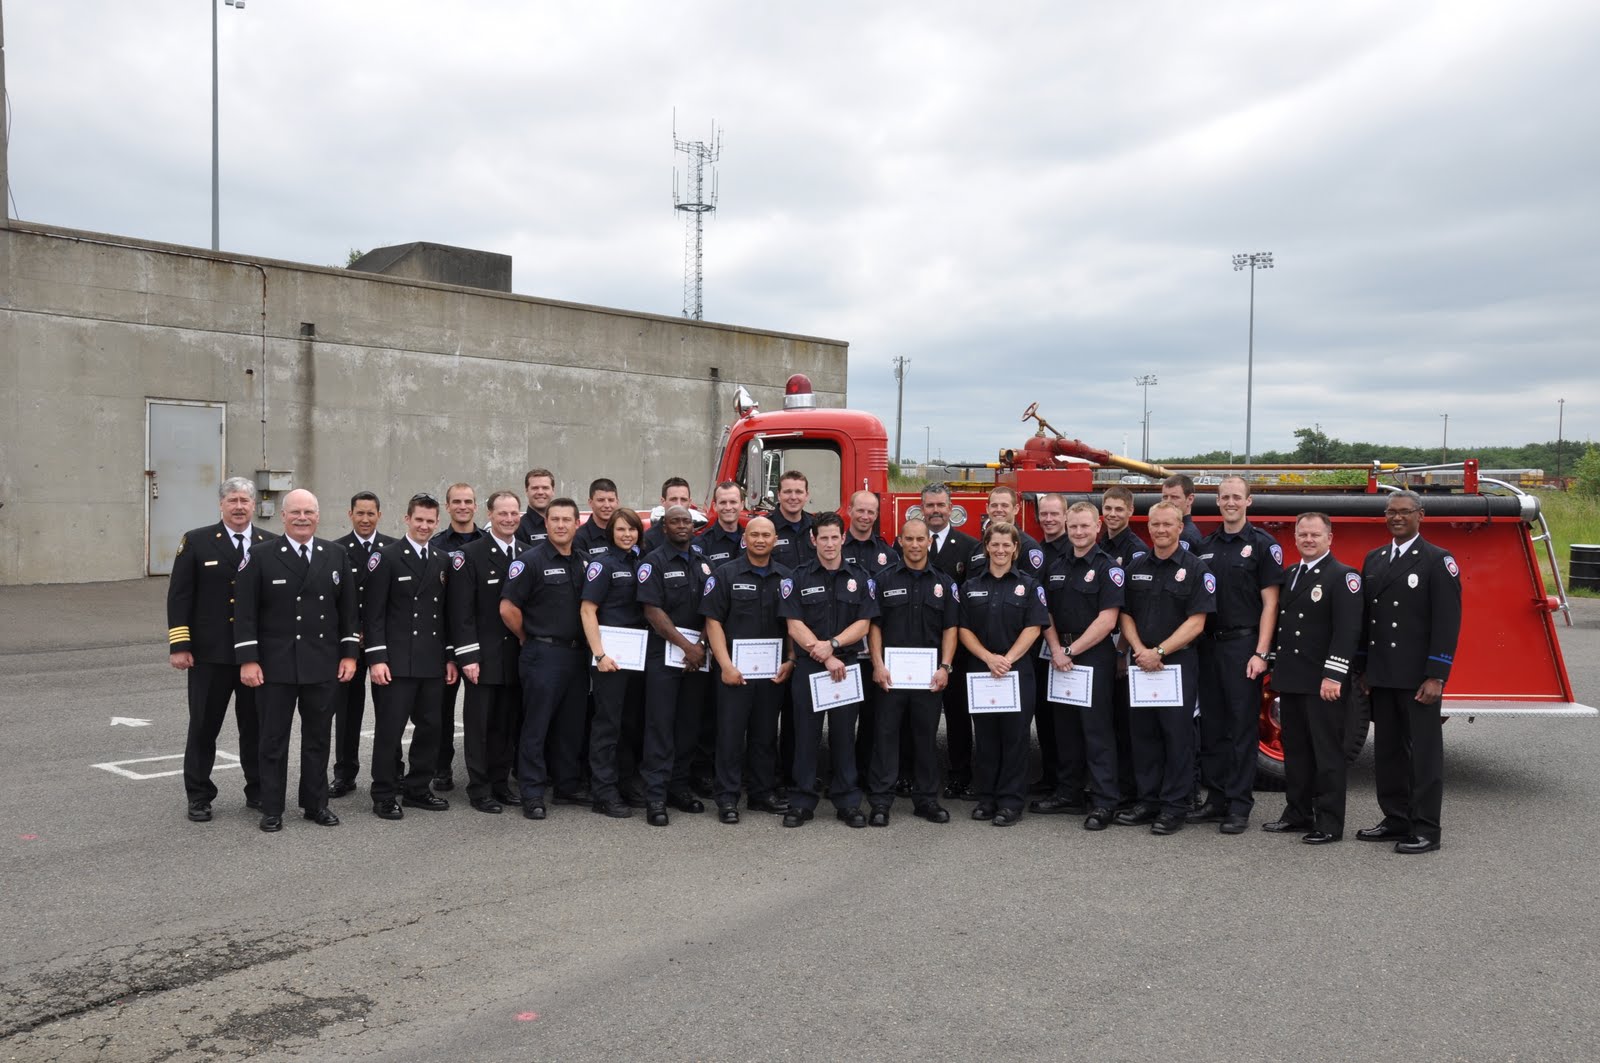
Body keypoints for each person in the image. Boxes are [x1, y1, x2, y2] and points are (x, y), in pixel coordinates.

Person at [232, 489, 358, 832]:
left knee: (318, 738)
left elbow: (347, 613)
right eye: (296, 512)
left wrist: (349, 654)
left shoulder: (336, 554)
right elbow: (244, 614)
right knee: (273, 739)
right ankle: (271, 808)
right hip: (275, 666)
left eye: (309, 512)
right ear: (283, 516)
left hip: (322, 664)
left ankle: (316, 804)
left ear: (318, 516)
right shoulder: (259, 555)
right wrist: (248, 660)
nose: (303, 518)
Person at [1355, 490, 1462, 855]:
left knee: (1424, 755)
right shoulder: (1375, 559)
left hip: (1418, 678)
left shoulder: (1437, 560)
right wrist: (1364, 668)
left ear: (1421, 515)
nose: (1396, 517)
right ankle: (1396, 818)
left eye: (1404, 512)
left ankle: (1427, 828)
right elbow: (1367, 621)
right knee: (1387, 753)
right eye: (1390, 512)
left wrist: (1437, 675)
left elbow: (1447, 623)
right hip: (1382, 674)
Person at [167, 477, 274, 822]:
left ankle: (257, 790)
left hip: (255, 657)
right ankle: (199, 795)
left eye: (245, 500)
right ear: (221, 505)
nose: (239, 507)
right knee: (203, 726)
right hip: (210, 654)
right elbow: (180, 596)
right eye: (232, 500)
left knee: (255, 727)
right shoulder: (197, 542)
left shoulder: (268, 543)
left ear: (254, 505)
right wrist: (180, 644)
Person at [1116, 500, 1216, 835]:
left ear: (1179, 527)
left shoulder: (1196, 569)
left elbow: (1197, 621)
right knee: (1144, 734)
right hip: (1142, 662)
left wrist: (1159, 650)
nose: (1160, 530)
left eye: (1167, 525)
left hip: (1177, 662)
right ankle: (1148, 800)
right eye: (1155, 524)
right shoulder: (1136, 567)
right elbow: (1125, 613)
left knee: (1177, 736)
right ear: (1149, 528)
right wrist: (1140, 651)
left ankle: (1175, 806)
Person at [1191, 475, 1283, 834]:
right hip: (1209, 645)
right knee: (1211, 726)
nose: (1230, 502)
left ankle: (1239, 805)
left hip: (1243, 647)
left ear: (1248, 501)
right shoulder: (1206, 545)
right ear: (1217, 502)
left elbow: (1270, 603)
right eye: (1224, 497)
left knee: (1241, 727)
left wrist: (1262, 652)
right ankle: (1216, 799)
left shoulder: (1262, 545)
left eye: (1236, 497)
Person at [1265, 512, 1362, 844]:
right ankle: (1297, 813)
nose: (1308, 539)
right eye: (1302, 534)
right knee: (1296, 751)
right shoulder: (1291, 574)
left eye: (1315, 535)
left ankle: (1329, 823)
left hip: (1323, 682)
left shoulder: (1343, 576)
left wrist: (1334, 676)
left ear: (1329, 538)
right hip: (1292, 678)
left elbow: (1347, 632)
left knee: (1327, 754)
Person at [779, 512, 879, 828]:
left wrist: (833, 646)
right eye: (823, 537)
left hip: (846, 666)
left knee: (843, 737)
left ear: (843, 538)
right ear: (813, 540)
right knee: (805, 736)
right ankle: (802, 801)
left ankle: (847, 801)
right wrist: (823, 654)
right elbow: (793, 624)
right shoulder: (797, 577)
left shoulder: (860, 578)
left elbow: (864, 623)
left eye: (835, 537)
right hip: (810, 666)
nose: (830, 543)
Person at [363, 493, 456, 820]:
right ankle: (384, 793)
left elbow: (444, 615)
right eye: (419, 520)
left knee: (430, 727)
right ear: (406, 519)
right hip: (396, 662)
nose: (425, 526)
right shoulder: (385, 557)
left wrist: (448, 657)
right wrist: (377, 658)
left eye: (431, 521)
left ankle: (418, 788)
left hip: (431, 661)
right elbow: (373, 614)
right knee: (390, 729)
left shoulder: (442, 560)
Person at [1035, 500, 1125, 831]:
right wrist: (1057, 648)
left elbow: (1108, 619)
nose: (1079, 532)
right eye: (1073, 526)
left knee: (1096, 729)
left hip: (1093, 654)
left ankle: (1104, 801)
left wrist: (1070, 650)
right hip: (1059, 653)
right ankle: (1068, 793)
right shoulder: (1055, 563)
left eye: (1085, 526)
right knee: (1065, 727)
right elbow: (1045, 611)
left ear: (1097, 526)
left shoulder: (1107, 567)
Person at [500, 497, 591, 820]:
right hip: (543, 654)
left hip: (577, 655)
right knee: (536, 726)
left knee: (571, 725)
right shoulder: (530, 561)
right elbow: (508, 608)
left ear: (577, 524)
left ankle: (566, 786)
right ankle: (533, 791)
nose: (561, 525)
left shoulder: (583, 562)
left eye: (567, 520)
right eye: (555, 520)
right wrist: (528, 636)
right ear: (546, 523)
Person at [700, 514, 794, 823]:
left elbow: (794, 625)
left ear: (774, 540)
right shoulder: (725, 575)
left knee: (765, 734)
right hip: (733, 672)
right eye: (754, 534)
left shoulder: (786, 578)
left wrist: (791, 660)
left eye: (767, 535)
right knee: (729, 735)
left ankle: (760, 792)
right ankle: (727, 797)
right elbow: (712, 622)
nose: (760, 540)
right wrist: (724, 665)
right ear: (745, 538)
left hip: (772, 672)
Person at [867, 516, 958, 825]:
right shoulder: (883, 580)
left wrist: (945, 666)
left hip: (928, 678)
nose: (916, 545)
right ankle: (881, 802)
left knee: (925, 738)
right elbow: (874, 626)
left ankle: (926, 800)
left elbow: (950, 629)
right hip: (890, 677)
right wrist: (877, 665)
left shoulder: (944, 583)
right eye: (910, 539)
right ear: (900, 541)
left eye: (921, 539)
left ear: (929, 542)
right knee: (886, 738)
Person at [958, 521, 1049, 826]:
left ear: (1015, 549)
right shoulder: (970, 587)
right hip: (981, 671)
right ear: (986, 547)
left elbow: (1034, 627)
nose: (1000, 550)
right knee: (985, 737)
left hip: (1015, 670)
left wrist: (1006, 660)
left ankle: (1010, 802)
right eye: (994, 545)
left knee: (1015, 738)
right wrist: (987, 658)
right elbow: (964, 630)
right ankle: (987, 798)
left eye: (1006, 545)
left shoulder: (1030, 585)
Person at [446, 490, 528, 814]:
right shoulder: (470, 555)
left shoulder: (526, 552)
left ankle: (500, 783)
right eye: (502, 513)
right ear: (490, 515)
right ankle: (479, 788)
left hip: (515, 656)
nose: (509, 519)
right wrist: (468, 657)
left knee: (506, 725)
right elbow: (460, 612)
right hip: (483, 657)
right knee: (479, 727)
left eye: (514, 513)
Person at [635, 505, 715, 826]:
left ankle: (678, 787)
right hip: (664, 657)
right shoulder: (652, 563)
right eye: (675, 521)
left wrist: (701, 647)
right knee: (660, 725)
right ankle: (655, 794)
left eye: (686, 521)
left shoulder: (705, 564)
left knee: (688, 725)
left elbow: (713, 611)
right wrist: (686, 646)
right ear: (663, 528)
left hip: (698, 658)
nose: (682, 526)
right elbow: (652, 611)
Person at [580, 508, 647, 819]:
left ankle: (625, 781)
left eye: (632, 530)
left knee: (631, 723)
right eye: (621, 530)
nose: (627, 535)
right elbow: (588, 610)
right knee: (607, 724)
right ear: (611, 532)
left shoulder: (641, 562)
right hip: (611, 658)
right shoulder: (602, 564)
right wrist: (600, 655)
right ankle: (603, 791)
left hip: (638, 656)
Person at [330, 491, 396, 798]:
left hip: (383, 643)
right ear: (350, 514)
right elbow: (335, 602)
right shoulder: (337, 550)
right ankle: (344, 773)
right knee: (347, 711)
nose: (365, 519)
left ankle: (392, 769)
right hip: (350, 643)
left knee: (389, 710)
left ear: (379, 515)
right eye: (360, 513)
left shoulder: (392, 549)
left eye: (371, 513)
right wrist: (352, 635)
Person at [921, 482, 980, 800]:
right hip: (916, 647)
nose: (935, 511)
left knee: (957, 715)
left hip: (952, 646)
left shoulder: (969, 547)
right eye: (929, 505)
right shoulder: (909, 542)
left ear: (950, 507)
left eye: (940, 505)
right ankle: (916, 774)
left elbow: (969, 600)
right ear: (921, 508)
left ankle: (960, 775)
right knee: (918, 717)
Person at [431, 482, 485, 793]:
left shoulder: (487, 543)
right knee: (442, 711)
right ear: (448, 507)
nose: (463, 506)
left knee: (479, 713)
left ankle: (483, 770)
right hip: (444, 641)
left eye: (468, 501)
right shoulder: (437, 545)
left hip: (479, 640)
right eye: (457, 502)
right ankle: (442, 768)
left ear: (475, 506)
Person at [841, 491, 898, 785]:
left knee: (873, 719)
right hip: (845, 650)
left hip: (876, 651)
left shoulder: (887, 554)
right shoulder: (836, 548)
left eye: (871, 512)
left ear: (877, 515)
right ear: (849, 509)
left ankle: (864, 774)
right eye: (860, 510)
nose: (865, 516)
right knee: (843, 718)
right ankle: (843, 775)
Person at [1101, 483, 1149, 805]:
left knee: (1125, 723)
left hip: (1120, 648)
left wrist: (1122, 654)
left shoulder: (1135, 551)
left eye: (1120, 509)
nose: (1113, 514)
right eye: (1108, 509)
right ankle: (1110, 785)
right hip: (1099, 646)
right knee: (1105, 721)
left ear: (1131, 512)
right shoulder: (1098, 543)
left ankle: (1129, 791)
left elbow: (1130, 608)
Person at [768, 470, 816, 571]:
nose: (793, 497)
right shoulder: (764, 527)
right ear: (779, 495)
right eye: (787, 492)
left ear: (806, 495)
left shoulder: (816, 525)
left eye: (799, 492)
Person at [643, 477, 706, 553]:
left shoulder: (699, 541)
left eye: (683, 500)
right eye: (673, 499)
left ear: (689, 503)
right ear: (663, 501)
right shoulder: (647, 540)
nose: (679, 504)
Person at [696, 481, 747, 570]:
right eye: (723, 502)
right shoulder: (701, 543)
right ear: (715, 506)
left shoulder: (751, 539)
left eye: (733, 502)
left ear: (742, 505)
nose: (728, 507)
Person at [574, 478, 622, 559]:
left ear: (617, 502)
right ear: (590, 503)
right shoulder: (579, 538)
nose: (607, 505)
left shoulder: (626, 533)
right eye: (601, 500)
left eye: (611, 500)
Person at [1161, 474, 1204, 551]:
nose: (1168, 502)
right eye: (1165, 497)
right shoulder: (1179, 532)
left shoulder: (1185, 536)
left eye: (1174, 497)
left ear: (1190, 499)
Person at [517, 468, 555, 545]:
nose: (540, 492)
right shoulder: (518, 527)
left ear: (553, 491)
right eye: (535, 488)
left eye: (545, 488)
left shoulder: (561, 524)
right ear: (526, 491)